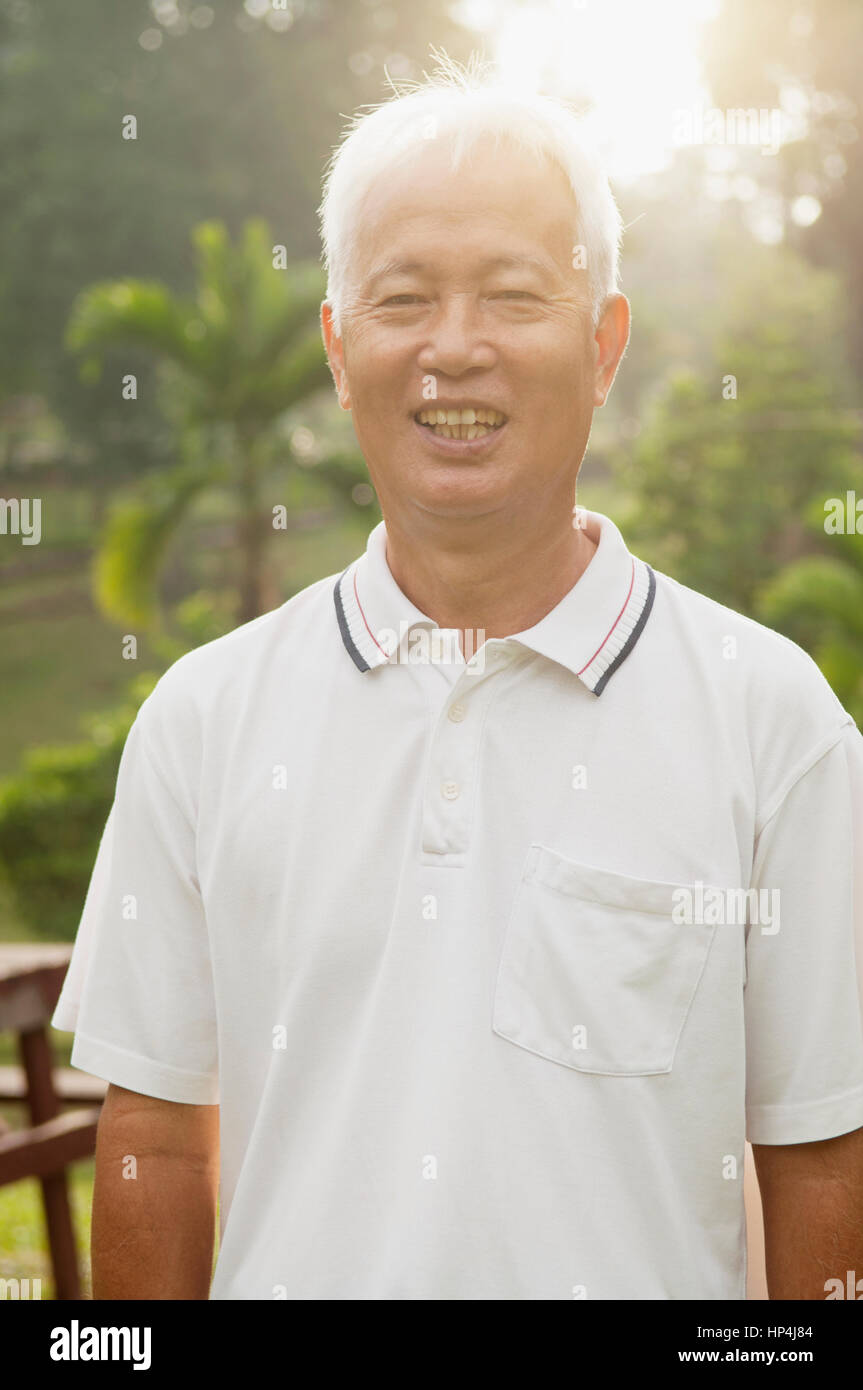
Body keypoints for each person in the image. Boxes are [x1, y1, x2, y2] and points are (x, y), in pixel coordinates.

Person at [53, 56, 863, 1300]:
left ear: (602, 345)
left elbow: (819, 1158)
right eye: (401, 299)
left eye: (510, 296)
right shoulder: (205, 720)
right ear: (336, 346)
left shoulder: (769, 719)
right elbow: (155, 1135)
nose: (453, 348)